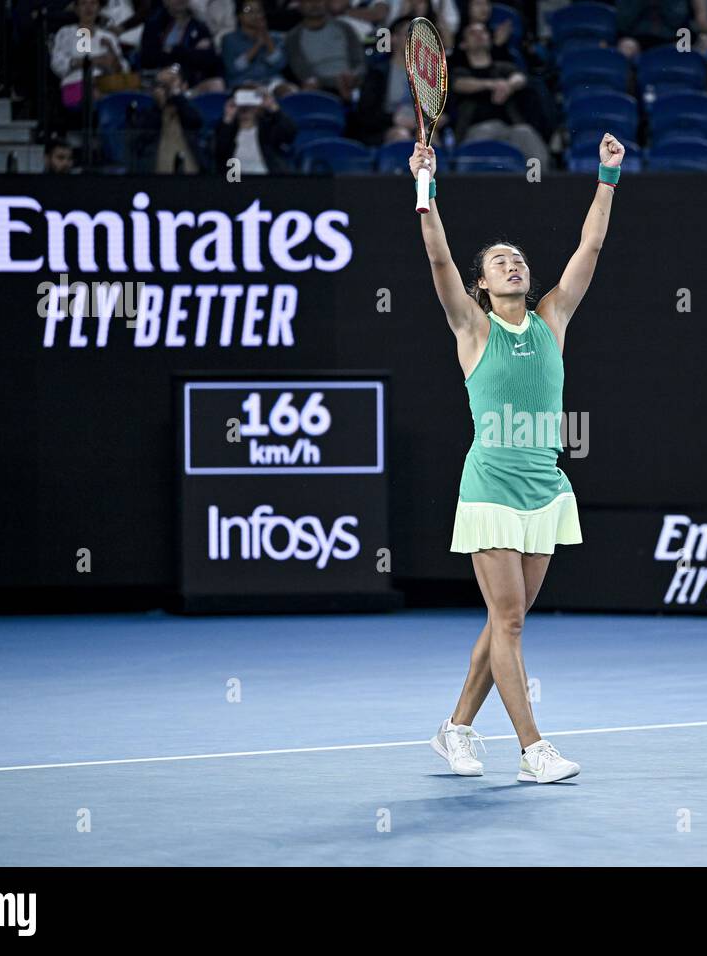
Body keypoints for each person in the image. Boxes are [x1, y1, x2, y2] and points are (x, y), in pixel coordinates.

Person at [411, 132, 626, 784]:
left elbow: (590, 246)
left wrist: (607, 177)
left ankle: (454, 730)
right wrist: (426, 189)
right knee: (508, 620)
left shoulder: (552, 318)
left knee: (506, 620)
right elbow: (440, 260)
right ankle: (534, 749)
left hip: (545, 491)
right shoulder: (472, 329)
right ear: (480, 286)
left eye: (518, 260)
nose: (513, 265)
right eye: (499, 262)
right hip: (490, 490)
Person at [451, 22, 550, 170]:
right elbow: (459, 84)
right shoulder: (460, 70)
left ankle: (536, 184)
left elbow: (520, 78)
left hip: (511, 128)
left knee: (527, 134)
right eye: (472, 33)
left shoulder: (503, 67)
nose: (479, 35)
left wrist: (508, 86)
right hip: (477, 129)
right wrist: (493, 85)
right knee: (486, 132)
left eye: (483, 32)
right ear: (463, 44)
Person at [350, 15, 418, 143]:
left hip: (420, 127)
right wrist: (393, 119)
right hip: (386, 128)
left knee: (430, 137)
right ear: (394, 38)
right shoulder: (378, 72)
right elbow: (366, 113)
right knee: (401, 135)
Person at [50, 0, 129, 109]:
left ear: (99, 8)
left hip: (106, 85)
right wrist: (92, 61)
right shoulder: (66, 33)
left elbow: (123, 70)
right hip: (75, 85)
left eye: (93, 3)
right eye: (83, 3)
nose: (88, 7)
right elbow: (57, 64)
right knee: (99, 95)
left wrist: (112, 53)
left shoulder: (108, 37)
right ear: (76, 9)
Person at [285, 0, 366, 101]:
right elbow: (302, 72)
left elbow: (359, 62)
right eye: (308, 1)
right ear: (299, 5)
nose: (314, 4)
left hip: (351, 83)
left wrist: (354, 76)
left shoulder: (345, 28)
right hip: (319, 88)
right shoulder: (293, 37)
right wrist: (334, 82)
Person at [140, 0, 225, 91]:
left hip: (191, 83)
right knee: (168, 79)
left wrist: (174, 50)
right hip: (161, 81)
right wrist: (189, 53)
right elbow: (149, 57)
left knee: (217, 84)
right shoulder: (154, 24)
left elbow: (208, 58)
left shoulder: (199, 26)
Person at [133, 64, 206, 171]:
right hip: (157, 177)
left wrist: (176, 94)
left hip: (191, 176)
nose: (167, 88)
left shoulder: (191, 109)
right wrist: (159, 106)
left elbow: (195, 122)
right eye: (162, 84)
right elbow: (141, 141)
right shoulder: (148, 113)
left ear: (184, 86)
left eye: (171, 82)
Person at [214, 83, 298, 172]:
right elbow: (219, 151)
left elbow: (290, 133)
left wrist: (273, 107)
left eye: (251, 101)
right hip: (235, 179)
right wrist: (228, 117)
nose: (246, 107)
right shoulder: (226, 126)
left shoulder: (268, 126)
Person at [221, 0, 292, 92]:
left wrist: (266, 37)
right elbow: (234, 69)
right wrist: (257, 45)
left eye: (259, 11)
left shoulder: (276, 38)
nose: (255, 14)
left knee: (287, 90)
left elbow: (280, 64)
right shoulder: (229, 39)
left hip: (272, 81)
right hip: (243, 82)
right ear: (239, 15)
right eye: (248, 10)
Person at [616, 0, 695, 60]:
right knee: (626, 47)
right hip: (637, 38)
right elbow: (623, 23)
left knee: (685, 50)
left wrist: (662, 2)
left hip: (670, 39)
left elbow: (678, 21)